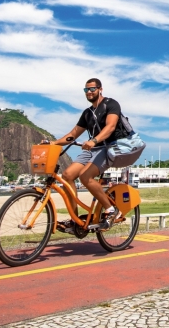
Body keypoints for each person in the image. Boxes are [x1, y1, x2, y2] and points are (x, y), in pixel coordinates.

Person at [50, 78, 125, 230]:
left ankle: (111, 209)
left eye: (92, 89)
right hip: (93, 149)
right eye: (86, 90)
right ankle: (75, 220)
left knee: (85, 176)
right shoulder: (87, 113)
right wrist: (53, 143)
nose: (89, 92)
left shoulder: (110, 104)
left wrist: (94, 140)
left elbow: (110, 127)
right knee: (67, 176)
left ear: (100, 89)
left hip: (109, 147)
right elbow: (72, 134)